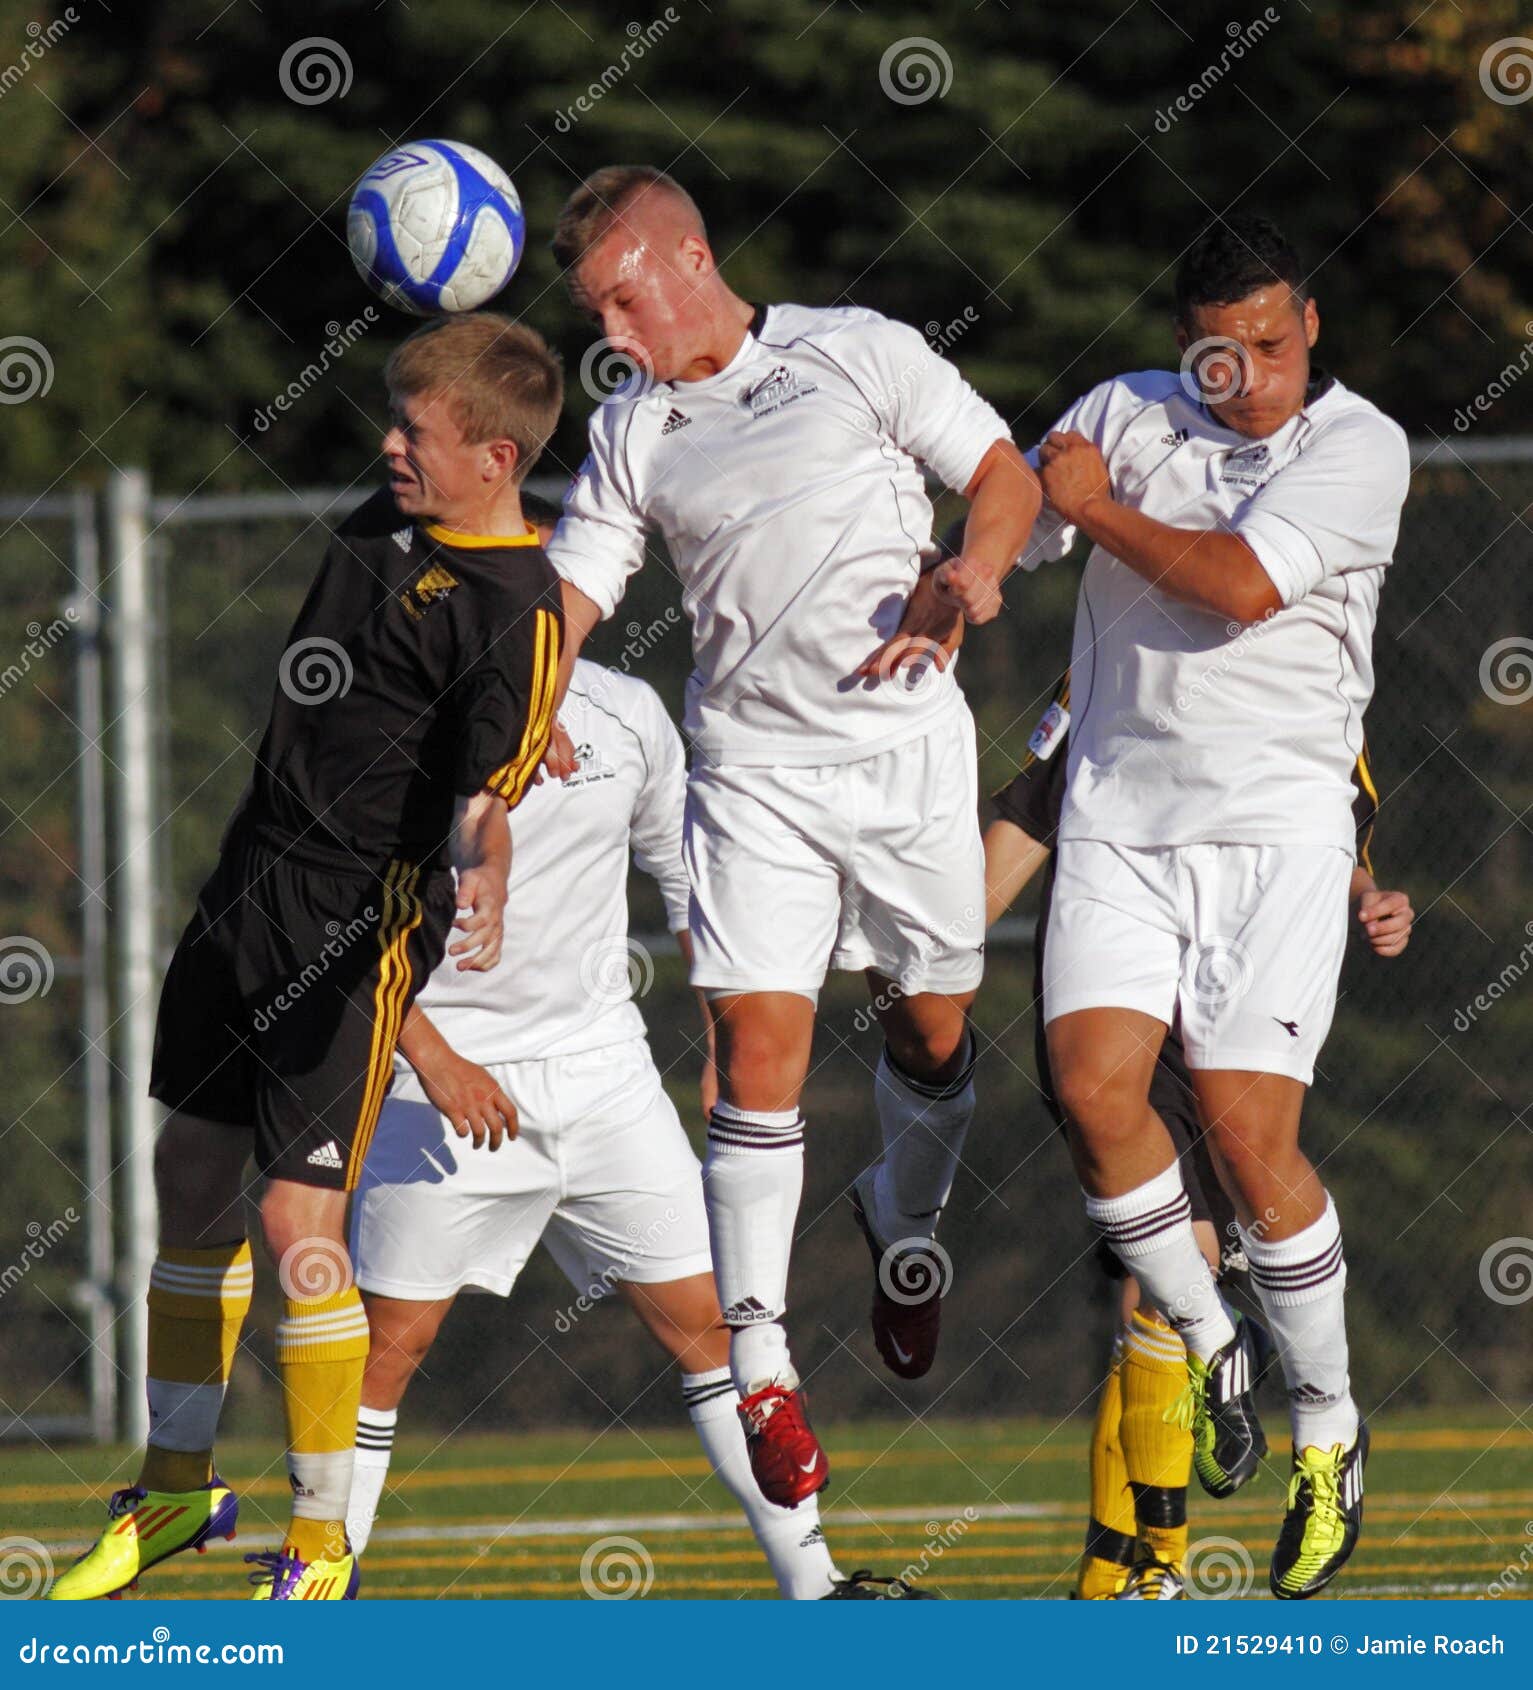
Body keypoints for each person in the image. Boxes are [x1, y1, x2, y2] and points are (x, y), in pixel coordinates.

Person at [541, 166, 1040, 1507]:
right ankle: (761, 1361)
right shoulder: (632, 431)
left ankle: (903, 1216)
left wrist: (974, 571)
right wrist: (521, 703)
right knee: (755, 1047)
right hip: (752, 774)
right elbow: (572, 594)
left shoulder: (855, 350)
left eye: (626, 301)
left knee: (930, 1032)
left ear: (693, 258)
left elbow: (1001, 473)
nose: (614, 336)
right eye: (595, 315)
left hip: (906, 754)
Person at [49, 314, 565, 1602]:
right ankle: (175, 1492)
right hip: (249, 876)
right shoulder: (395, 512)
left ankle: (323, 1538)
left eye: (417, 432)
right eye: (391, 421)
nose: (389, 445)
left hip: (356, 915)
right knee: (190, 1168)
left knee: (297, 1220)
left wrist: (484, 857)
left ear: (496, 457)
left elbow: (489, 791)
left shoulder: (517, 610)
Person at [344, 558, 927, 1597]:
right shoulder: (391, 717)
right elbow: (339, 923)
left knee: (717, 1326)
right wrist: (431, 1056)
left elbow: (687, 884)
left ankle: (817, 1589)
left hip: (606, 1076)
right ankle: (314, 1587)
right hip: (436, 1080)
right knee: (385, 1346)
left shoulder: (628, 711)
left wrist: (720, 1047)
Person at [1020, 214, 1411, 1597]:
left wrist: (1090, 509)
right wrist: (968, 558)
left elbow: (1240, 587)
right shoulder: (1120, 414)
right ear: (1182, 345)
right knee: (1093, 1091)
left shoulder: (1360, 445)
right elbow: (1012, 505)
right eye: (1217, 354)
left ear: (1309, 325)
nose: (1247, 374)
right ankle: (1211, 1337)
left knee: (1249, 1143)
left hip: (1277, 830)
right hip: (1118, 814)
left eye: (1270, 343)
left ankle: (1330, 1429)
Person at [986, 671, 1413, 1599]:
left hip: (1233, 986)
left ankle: (1154, 1548)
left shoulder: (1302, 653)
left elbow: (1332, 814)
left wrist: (1367, 895)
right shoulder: (1114, 653)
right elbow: (1030, 810)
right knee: (1162, 1284)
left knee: (1175, 1277)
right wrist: (932, 950)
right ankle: (1146, 1563)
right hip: (1120, 984)